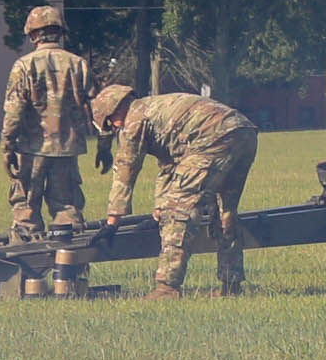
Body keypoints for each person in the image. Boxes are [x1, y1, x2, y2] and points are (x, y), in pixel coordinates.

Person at [101, 80, 260, 296]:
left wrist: (113, 221)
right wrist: (159, 208)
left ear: (114, 110)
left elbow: (125, 170)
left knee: (178, 211)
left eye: (111, 124)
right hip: (243, 132)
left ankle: (168, 287)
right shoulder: (156, 108)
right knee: (226, 211)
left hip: (211, 138)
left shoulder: (134, 119)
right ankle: (231, 285)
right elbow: (170, 165)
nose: (115, 129)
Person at [0, 5, 98, 296]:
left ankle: (30, 280)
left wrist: (7, 147)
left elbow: (14, 111)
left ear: (33, 35)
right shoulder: (79, 64)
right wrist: (104, 146)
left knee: (26, 212)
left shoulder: (24, 65)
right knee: (67, 211)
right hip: (67, 149)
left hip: (31, 150)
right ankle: (71, 278)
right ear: (60, 32)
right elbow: (97, 108)